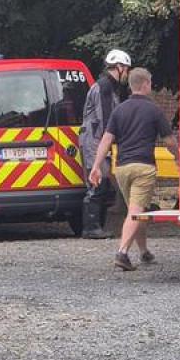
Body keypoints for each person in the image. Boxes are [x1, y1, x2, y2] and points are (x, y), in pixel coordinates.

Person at [88, 68, 177, 271]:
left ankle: (144, 252)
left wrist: (96, 166)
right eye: (150, 83)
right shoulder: (154, 110)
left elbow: (106, 140)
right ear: (145, 84)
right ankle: (122, 253)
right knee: (136, 212)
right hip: (143, 168)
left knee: (135, 212)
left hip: (122, 169)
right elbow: (169, 141)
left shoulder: (119, 110)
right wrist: (178, 157)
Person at [78, 49, 131, 238]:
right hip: (95, 140)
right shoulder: (104, 87)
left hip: (97, 139)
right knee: (97, 181)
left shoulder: (109, 87)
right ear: (119, 67)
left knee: (103, 182)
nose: (127, 74)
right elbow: (106, 119)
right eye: (126, 69)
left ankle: (97, 225)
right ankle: (91, 227)